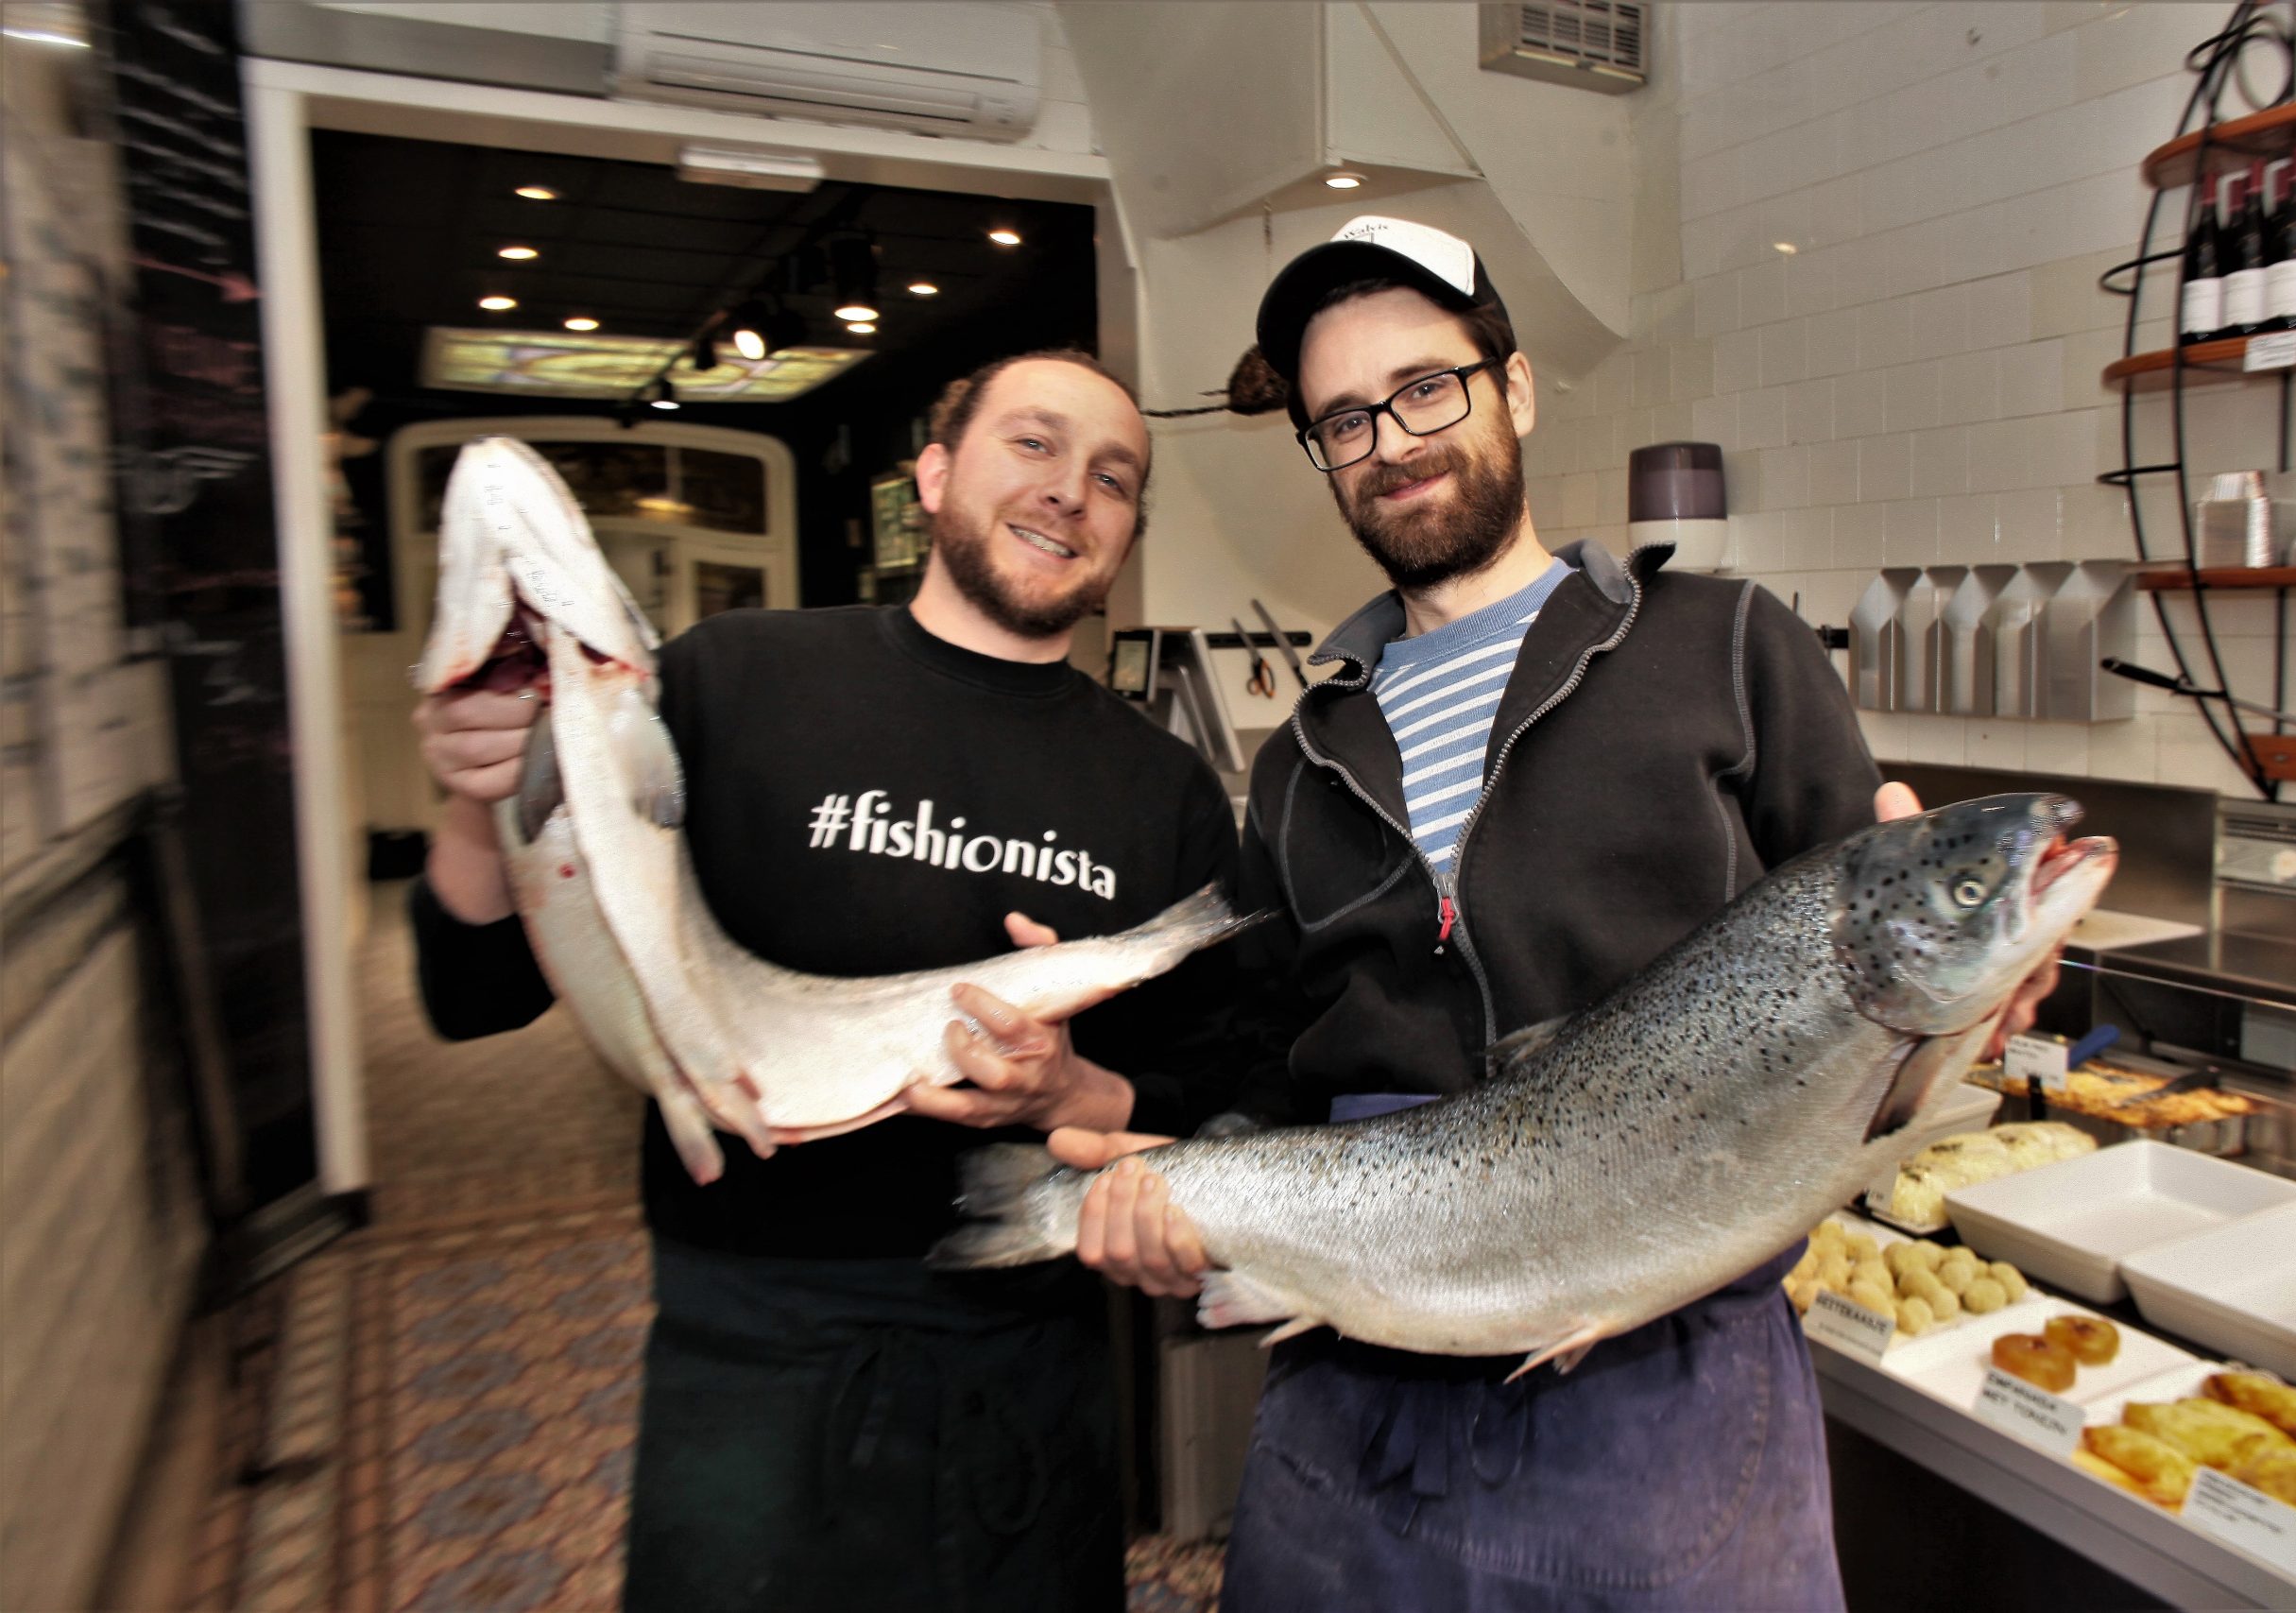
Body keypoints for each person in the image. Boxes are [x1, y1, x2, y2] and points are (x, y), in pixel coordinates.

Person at [1050, 219, 2057, 1610]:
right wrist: (1129, 1129)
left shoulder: (1727, 645)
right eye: (1343, 420)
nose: (1390, 440)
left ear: (1512, 387)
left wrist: (1987, 1001)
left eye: (1425, 388)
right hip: (1356, 1392)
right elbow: (1259, 1066)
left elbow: (1878, 996)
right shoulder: (1297, 764)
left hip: (1660, 1390)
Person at [410, 350, 1240, 1613]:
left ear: (1125, 531)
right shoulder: (729, 678)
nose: (1072, 489)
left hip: (1028, 1358)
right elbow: (475, 991)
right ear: (937, 474)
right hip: (749, 1355)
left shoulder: (1162, 787)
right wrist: (479, 806)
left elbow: (1220, 1083)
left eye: (1113, 476)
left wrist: (1073, 1089)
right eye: (1033, 444)